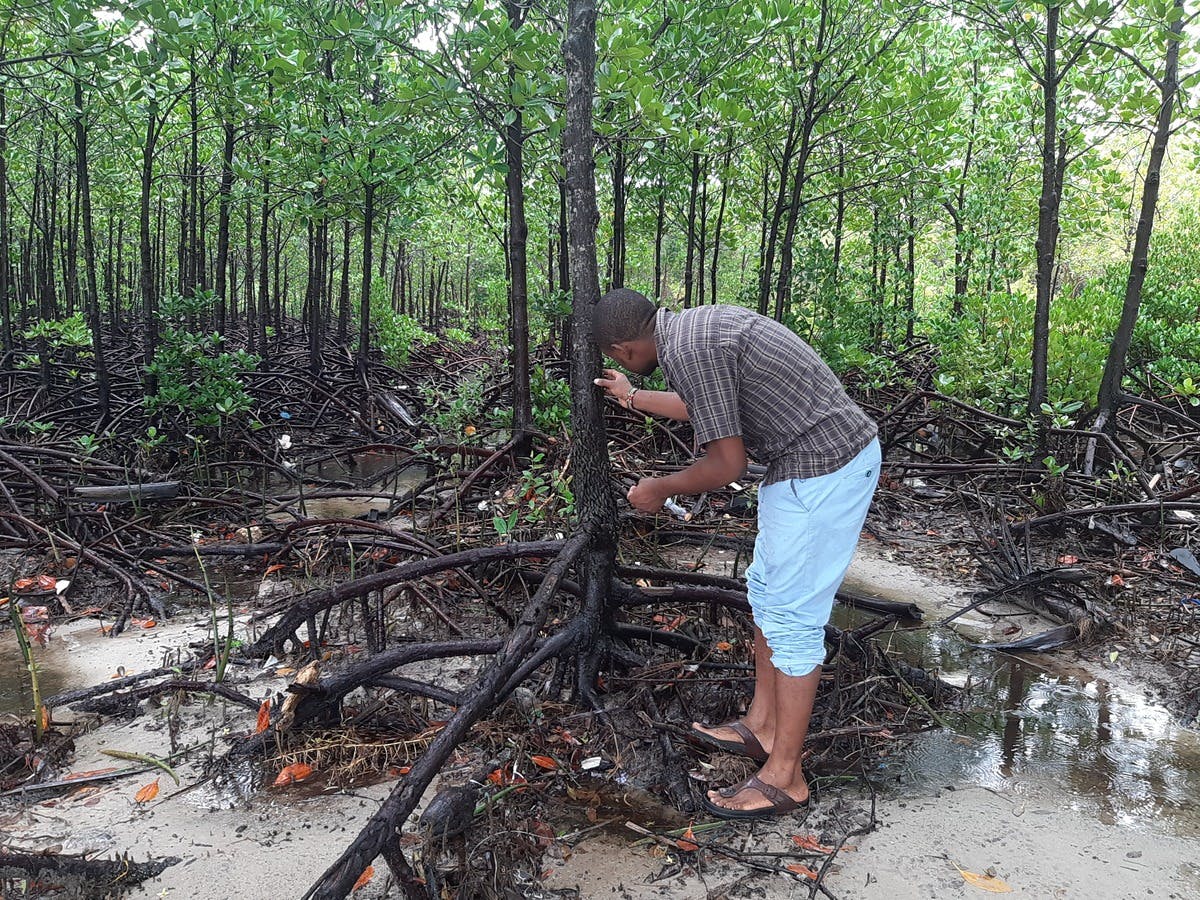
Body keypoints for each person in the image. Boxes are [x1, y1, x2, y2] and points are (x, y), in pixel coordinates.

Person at [591, 288, 880, 820]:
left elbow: (726, 464)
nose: (619, 365)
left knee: (793, 620)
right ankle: (763, 727)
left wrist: (661, 487)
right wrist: (633, 398)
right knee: (766, 594)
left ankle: (785, 776)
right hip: (801, 467)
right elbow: (706, 406)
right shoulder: (689, 333)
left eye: (613, 358)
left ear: (623, 348)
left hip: (826, 470)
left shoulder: (689, 351)